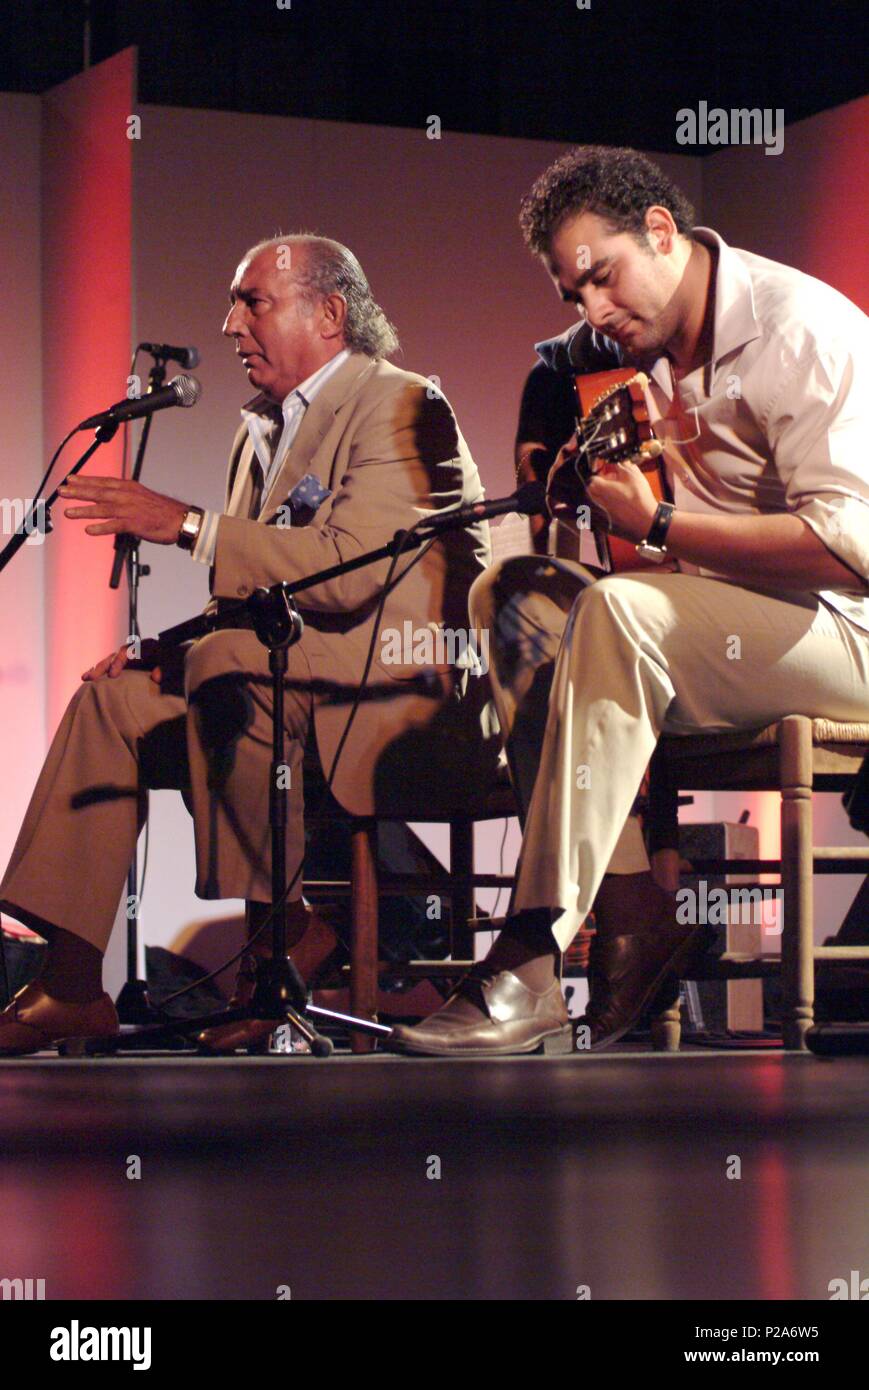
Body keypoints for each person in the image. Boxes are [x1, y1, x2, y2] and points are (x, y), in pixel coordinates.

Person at [392, 145, 869, 1057]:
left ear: (661, 231)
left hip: (842, 629)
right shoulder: (632, 355)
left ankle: (531, 959)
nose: (593, 313)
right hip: (722, 619)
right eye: (574, 295)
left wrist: (657, 526)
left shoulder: (796, 328)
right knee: (515, 594)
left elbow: (846, 548)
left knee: (620, 609)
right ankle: (630, 903)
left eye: (602, 280)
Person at [0, 234, 497, 1055]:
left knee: (229, 665)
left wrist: (187, 525)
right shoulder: (258, 431)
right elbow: (253, 599)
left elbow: (343, 573)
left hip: (399, 685)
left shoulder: (400, 404)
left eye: (252, 302)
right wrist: (169, 644)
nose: (231, 324)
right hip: (288, 672)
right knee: (112, 697)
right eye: (234, 304)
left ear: (329, 313)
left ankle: (279, 938)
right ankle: (69, 980)